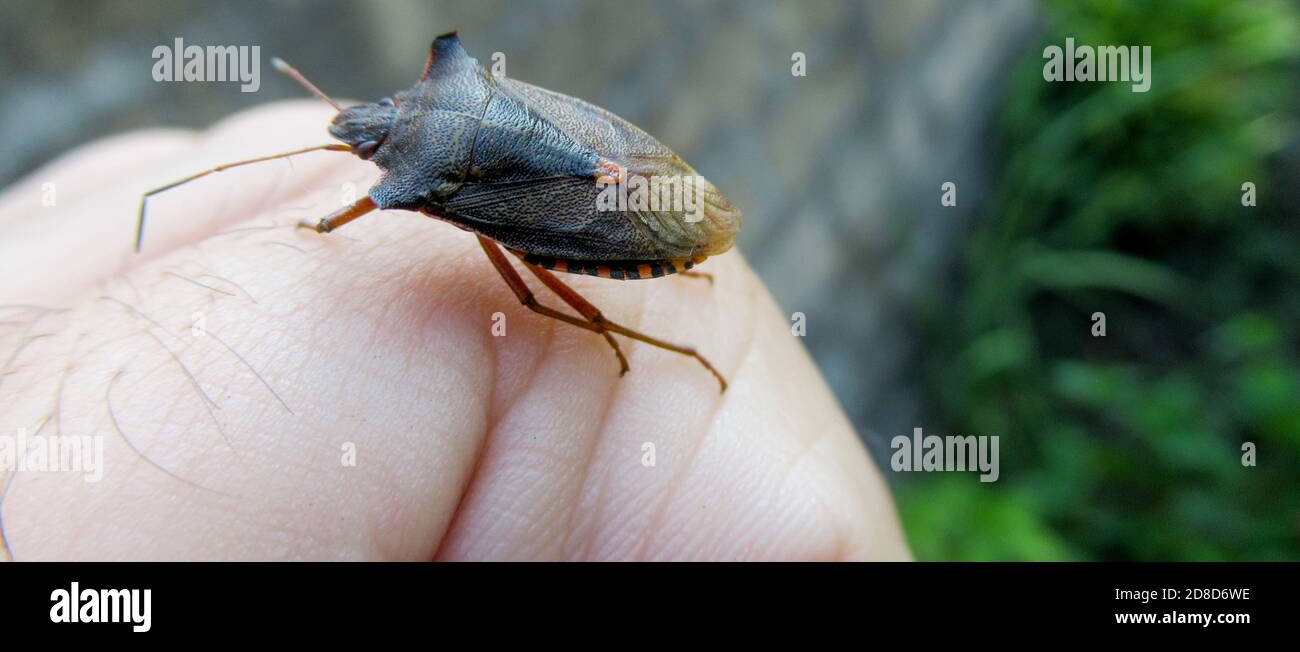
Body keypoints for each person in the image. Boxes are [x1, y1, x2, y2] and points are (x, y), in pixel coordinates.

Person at [0, 102, 909, 561]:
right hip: (616, 161)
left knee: (545, 304)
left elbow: (386, 205)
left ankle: (664, 339)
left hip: (598, 205)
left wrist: (325, 228)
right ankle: (665, 311)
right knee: (546, 295)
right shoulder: (434, 136)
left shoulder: (418, 187)